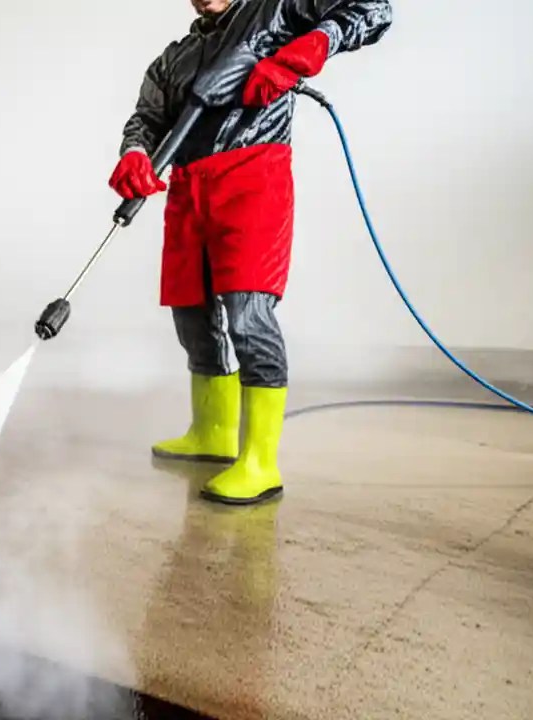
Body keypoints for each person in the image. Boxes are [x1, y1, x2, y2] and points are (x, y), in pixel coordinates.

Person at [109, 0, 392, 505]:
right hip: (187, 191)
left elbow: (372, 7)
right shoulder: (173, 59)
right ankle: (213, 431)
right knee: (191, 315)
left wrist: (310, 45)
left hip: (252, 178)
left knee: (247, 314)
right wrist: (135, 153)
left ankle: (260, 462)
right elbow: (146, 118)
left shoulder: (276, 11)